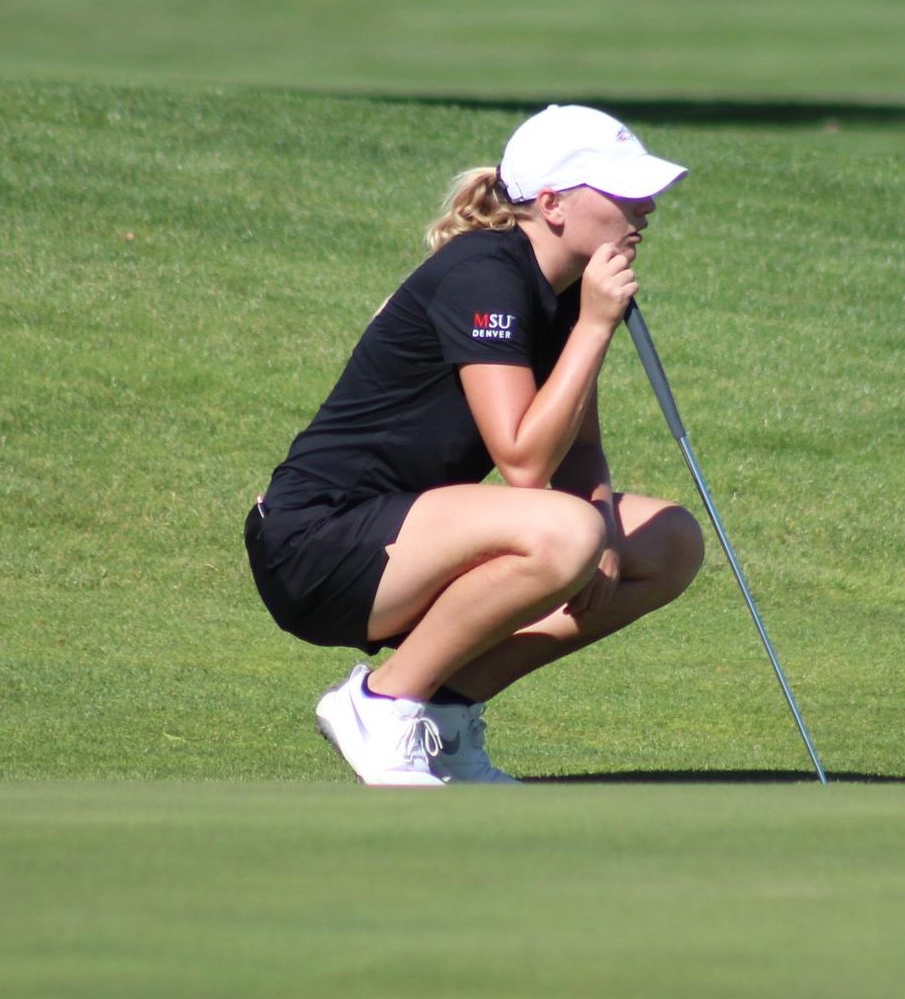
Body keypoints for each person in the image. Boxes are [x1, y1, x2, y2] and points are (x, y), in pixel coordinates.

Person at [245, 105, 705, 786]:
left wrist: (607, 527)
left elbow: (578, 454)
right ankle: (380, 703)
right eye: (623, 194)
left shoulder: (568, 291)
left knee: (667, 543)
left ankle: (448, 718)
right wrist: (596, 327)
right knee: (567, 533)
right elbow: (523, 461)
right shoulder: (483, 275)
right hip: (317, 542)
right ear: (552, 204)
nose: (645, 209)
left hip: (408, 535)